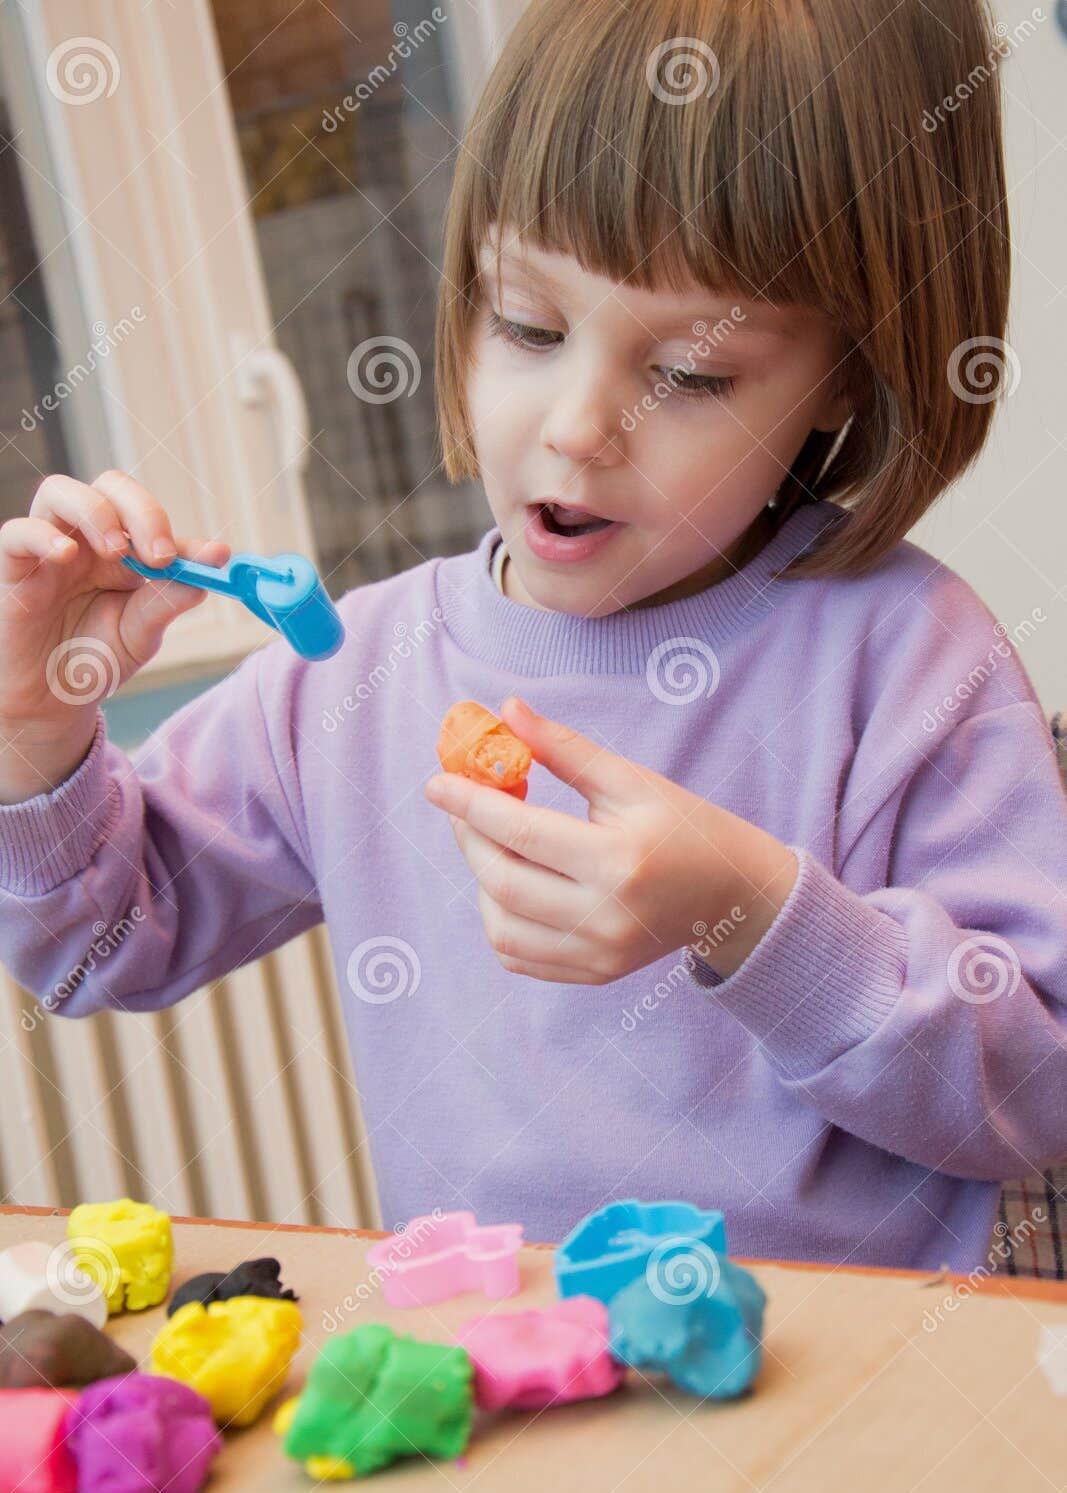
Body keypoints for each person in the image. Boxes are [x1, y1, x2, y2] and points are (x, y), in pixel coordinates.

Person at [1, 0, 1064, 1272]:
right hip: (494, 1401)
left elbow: (1032, 1092)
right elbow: (100, 946)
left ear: (845, 375)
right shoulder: (351, 673)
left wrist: (750, 913)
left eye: (689, 373)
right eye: (529, 327)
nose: (576, 428)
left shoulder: (909, 662)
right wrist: (35, 727)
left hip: (839, 1426)